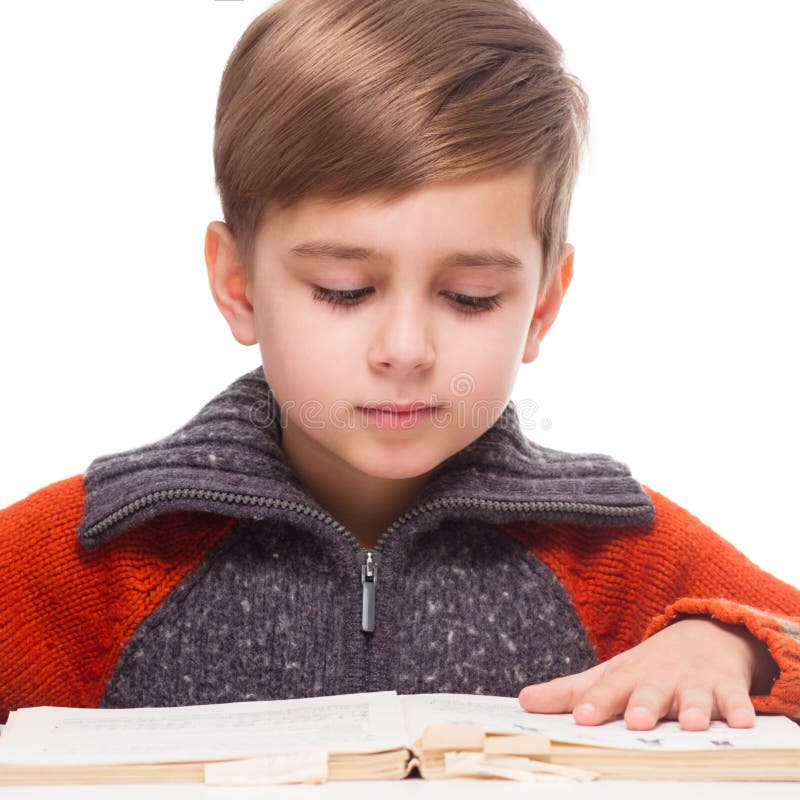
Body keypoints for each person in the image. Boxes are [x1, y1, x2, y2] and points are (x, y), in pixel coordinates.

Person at [1, 0, 798, 733]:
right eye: (344, 292)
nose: (407, 350)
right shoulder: (99, 555)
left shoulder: (617, 555)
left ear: (544, 307)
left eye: (470, 297)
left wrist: (741, 646)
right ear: (238, 286)